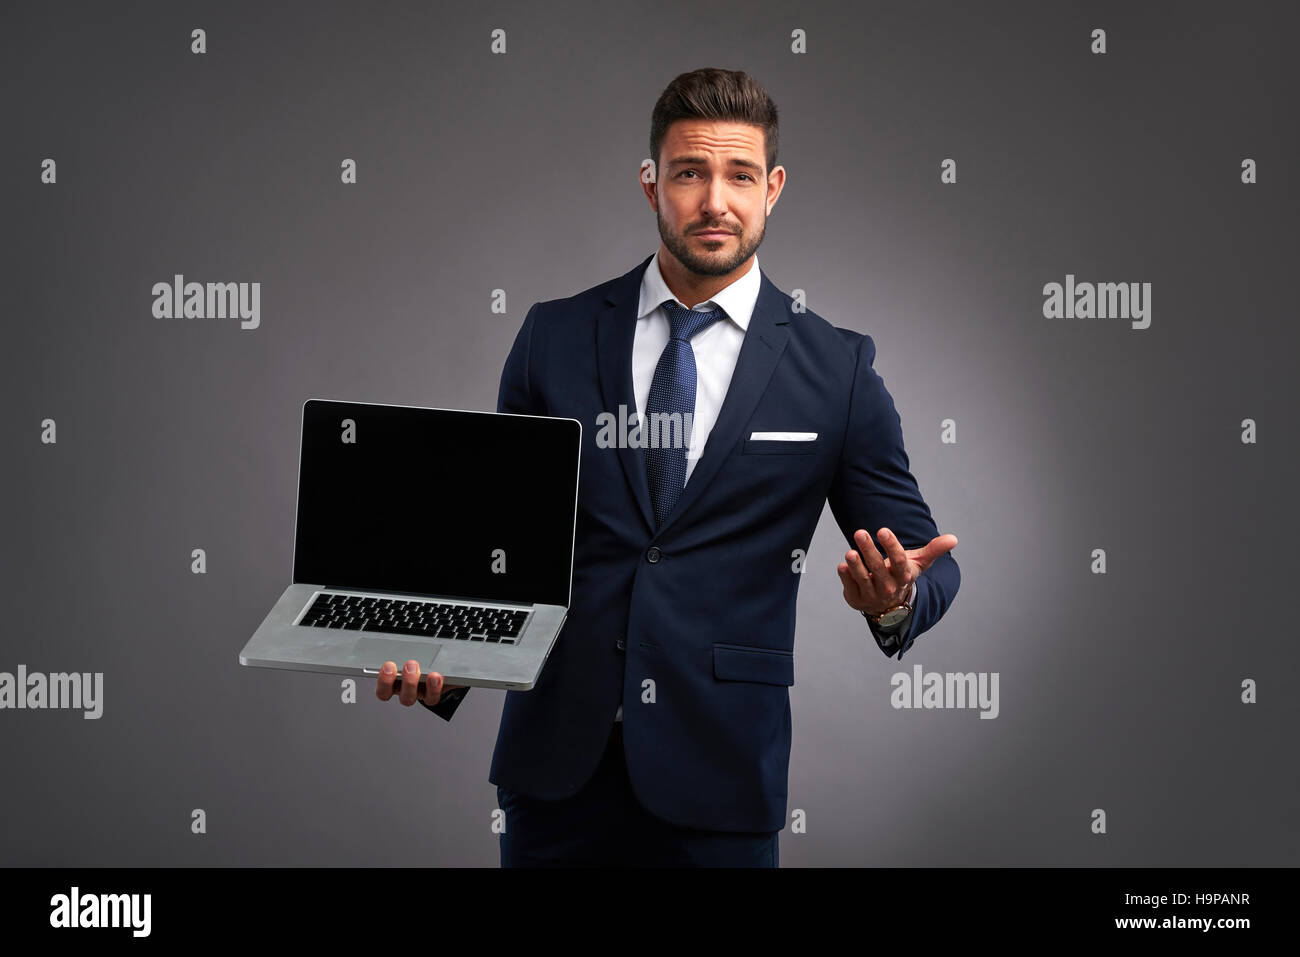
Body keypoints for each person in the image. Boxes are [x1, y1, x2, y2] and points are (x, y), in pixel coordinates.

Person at [376, 67, 960, 866]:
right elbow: (500, 548)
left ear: (774, 187)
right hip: (555, 779)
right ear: (651, 183)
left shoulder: (838, 370)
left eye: (739, 175)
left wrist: (896, 599)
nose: (714, 200)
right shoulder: (555, 335)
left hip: (721, 782)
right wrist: (447, 663)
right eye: (689, 172)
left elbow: (929, 563)